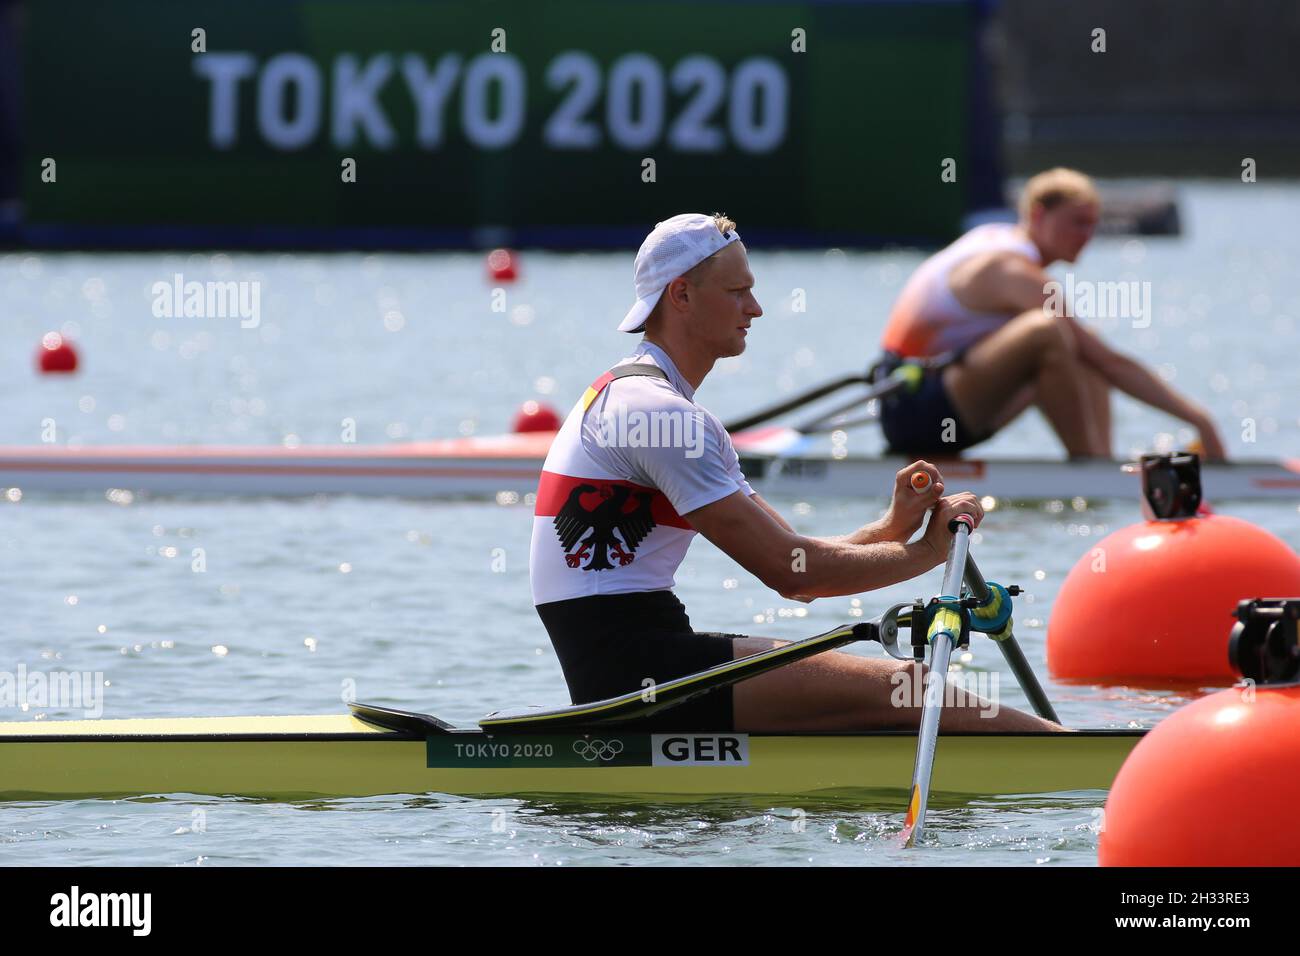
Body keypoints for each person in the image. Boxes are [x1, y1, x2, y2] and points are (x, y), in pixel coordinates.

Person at [529, 212, 1063, 733]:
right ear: (682, 296)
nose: (755, 308)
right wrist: (928, 552)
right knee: (913, 688)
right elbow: (794, 574)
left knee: (890, 697)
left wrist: (894, 527)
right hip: (634, 670)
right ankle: (1077, 763)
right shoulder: (657, 414)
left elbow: (797, 559)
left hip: (647, 655)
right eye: (737, 291)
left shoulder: (659, 406)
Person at [875, 168, 1227, 460]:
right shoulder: (1011, 269)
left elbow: (1097, 357)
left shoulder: (995, 237)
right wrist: (1200, 420)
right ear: (1039, 215)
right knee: (1050, 333)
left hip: (921, 398)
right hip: (913, 408)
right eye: (1077, 222)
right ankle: (1091, 469)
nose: (1086, 236)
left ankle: (1099, 462)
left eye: (1092, 225)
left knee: (1080, 345)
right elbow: (1111, 364)